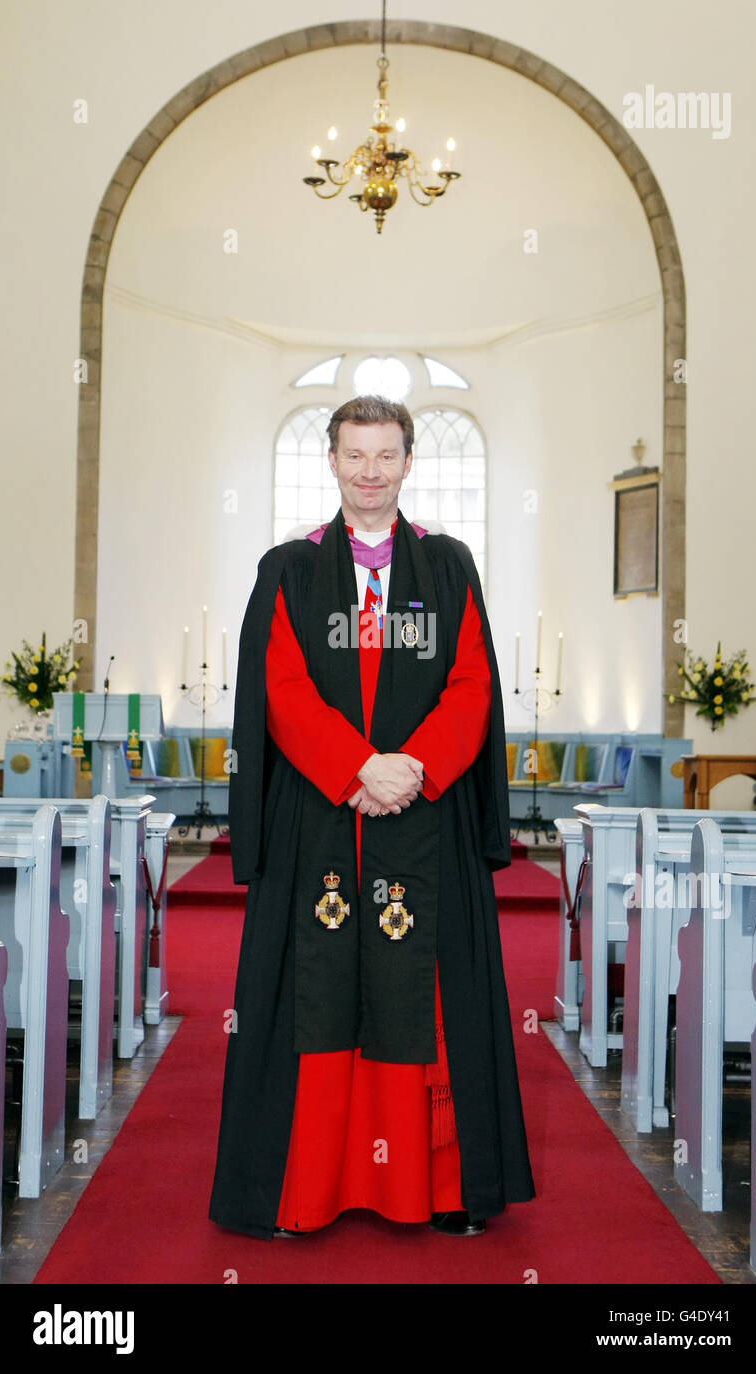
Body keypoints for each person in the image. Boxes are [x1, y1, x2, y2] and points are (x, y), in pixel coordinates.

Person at [209, 394, 534, 1240]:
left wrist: (412, 769)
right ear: (332, 460)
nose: (369, 471)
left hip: (425, 818)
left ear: (407, 462)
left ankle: (439, 1189)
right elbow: (281, 688)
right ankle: (301, 1191)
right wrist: (356, 767)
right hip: (321, 818)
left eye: (385, 454)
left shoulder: (449, 567)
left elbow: (472, 684)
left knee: (423, 995)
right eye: (355, 454)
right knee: (316, 996)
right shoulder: (289, 568)